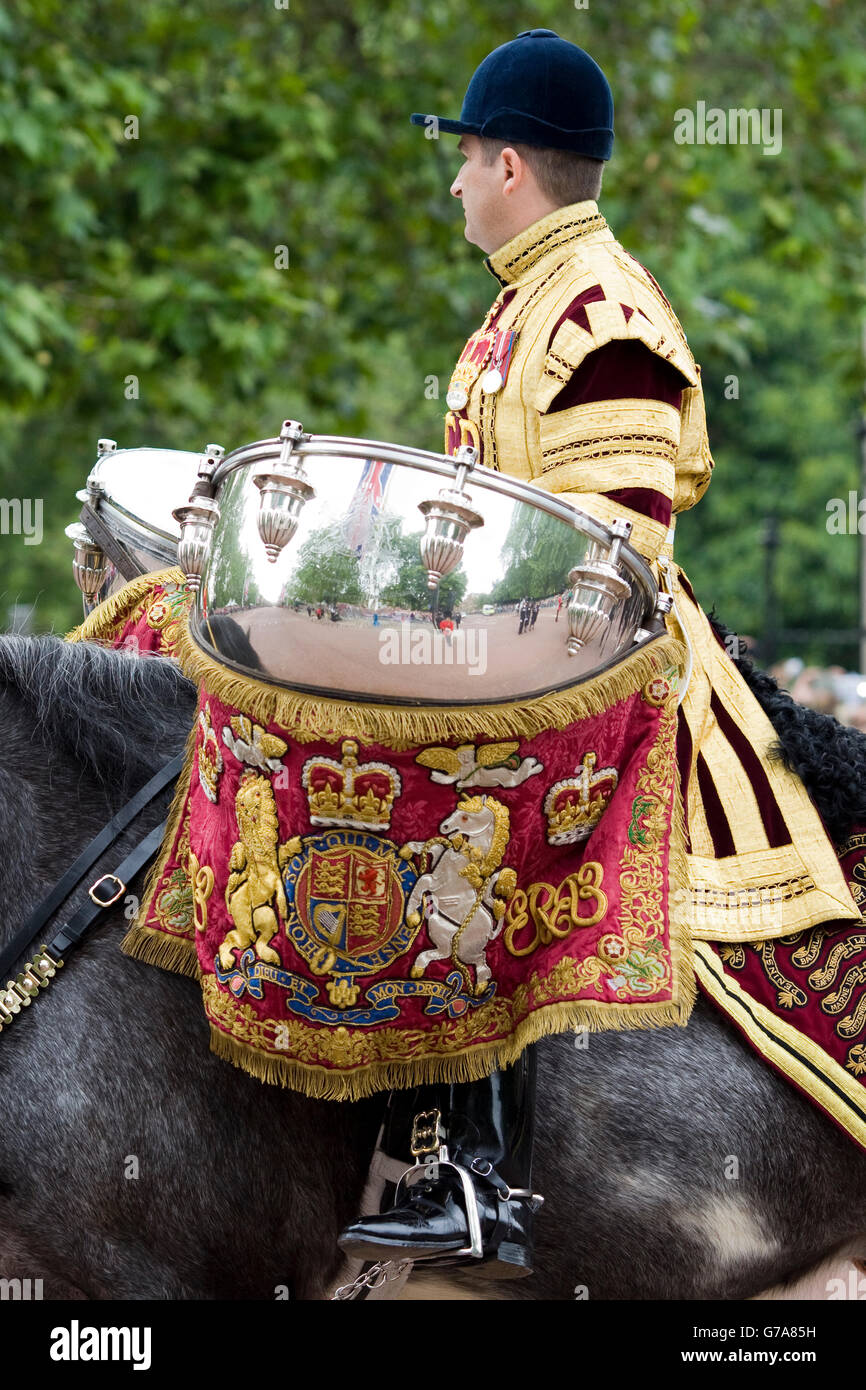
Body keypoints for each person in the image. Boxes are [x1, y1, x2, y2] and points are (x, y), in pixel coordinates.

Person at [339, 28, 859, 1276]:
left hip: (601, 680)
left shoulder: (601, 317)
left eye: (464, 159)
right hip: (518, 657)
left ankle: (469, 1170)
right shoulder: (527, 298)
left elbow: (604, 571)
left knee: (449, 833)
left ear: (509, 162)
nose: (454, 181)